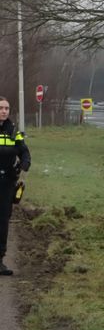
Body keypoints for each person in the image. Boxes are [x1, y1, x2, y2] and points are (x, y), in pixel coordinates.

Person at [0, 97, 31, 276]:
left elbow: (24, 151)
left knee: (3, 221)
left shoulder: (14, 131)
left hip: (7, 183)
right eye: (1, 108)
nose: (4, 111)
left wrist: (25, 163)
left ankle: (0, 260)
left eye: (7, 108)